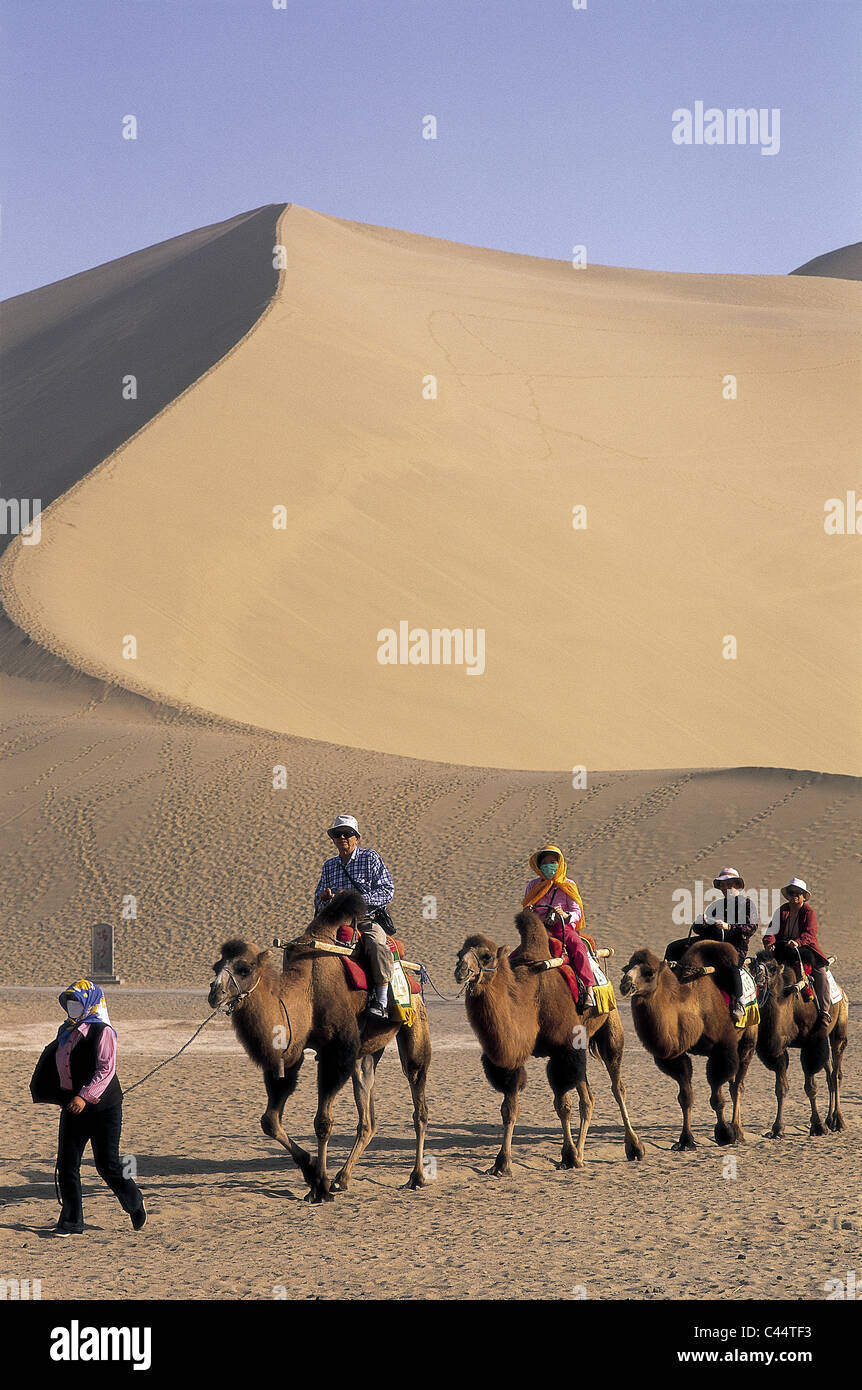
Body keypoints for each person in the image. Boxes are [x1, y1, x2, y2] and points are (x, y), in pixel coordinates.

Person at [29, 979, 146, 1236]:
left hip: (104, 1108)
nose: (72, 1007)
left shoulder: (102, 1031)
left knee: (108, 1164)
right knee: (67, 1164)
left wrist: (83, 1096)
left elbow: (106, 1069)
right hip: (73, 1109)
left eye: (77, 1002)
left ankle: (134, 1202)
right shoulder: (66, 1031)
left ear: (90, 1003)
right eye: (69, 1002)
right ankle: (71, 1221)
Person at [314, 814, 395, 1020]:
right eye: (337, 834)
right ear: (333, 839)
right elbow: (316, 898)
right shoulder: (329, 866)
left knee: (376, 944)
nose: (342, 838)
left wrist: (354, 899)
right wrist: (324, 898)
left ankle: (382, 1001)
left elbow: (387, 891)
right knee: (306, 945)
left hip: (366, 919)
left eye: (347, 834)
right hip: (334, 921)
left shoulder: (370, 858)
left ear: (356, 838)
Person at [665, 868, 757, 1023]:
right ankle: (669, 989)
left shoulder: (747, 904)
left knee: (731, 965)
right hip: (709, 944)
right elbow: (700, 930)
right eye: (722, 885)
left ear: (736, 885)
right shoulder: (716, 905)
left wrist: (729, 927)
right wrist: (701, 922)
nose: (725, 888)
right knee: (673, 947)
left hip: (734, 946)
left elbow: (751, 927)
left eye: (728, 884)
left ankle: (739, 1001)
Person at [522, 845, 594, 1010]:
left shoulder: (568, 885)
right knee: (516, 957)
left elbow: (577, 912)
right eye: (545, 863)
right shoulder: (533, 886)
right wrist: (529, 911)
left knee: (578, 948)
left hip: (563, 929)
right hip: (539, 931)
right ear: (539, 866)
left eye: (552, 862)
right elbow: (525, 907)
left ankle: (589, 989)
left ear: (559, 863)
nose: (549, 866)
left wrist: (565, 915)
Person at [764, 878, 832, 1030]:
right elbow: (771, 930)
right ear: (787, 895)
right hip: (783, 949)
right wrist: (769, 942)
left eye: (798, 893)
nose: (794, 895)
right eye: (791, 892)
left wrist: (798, 941)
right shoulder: (782, 911)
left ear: (803, 896)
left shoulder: (809, 913)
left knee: (820, 973)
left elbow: (810, 933)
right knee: (764, 970)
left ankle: (824, 1010)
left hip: (805, 949)